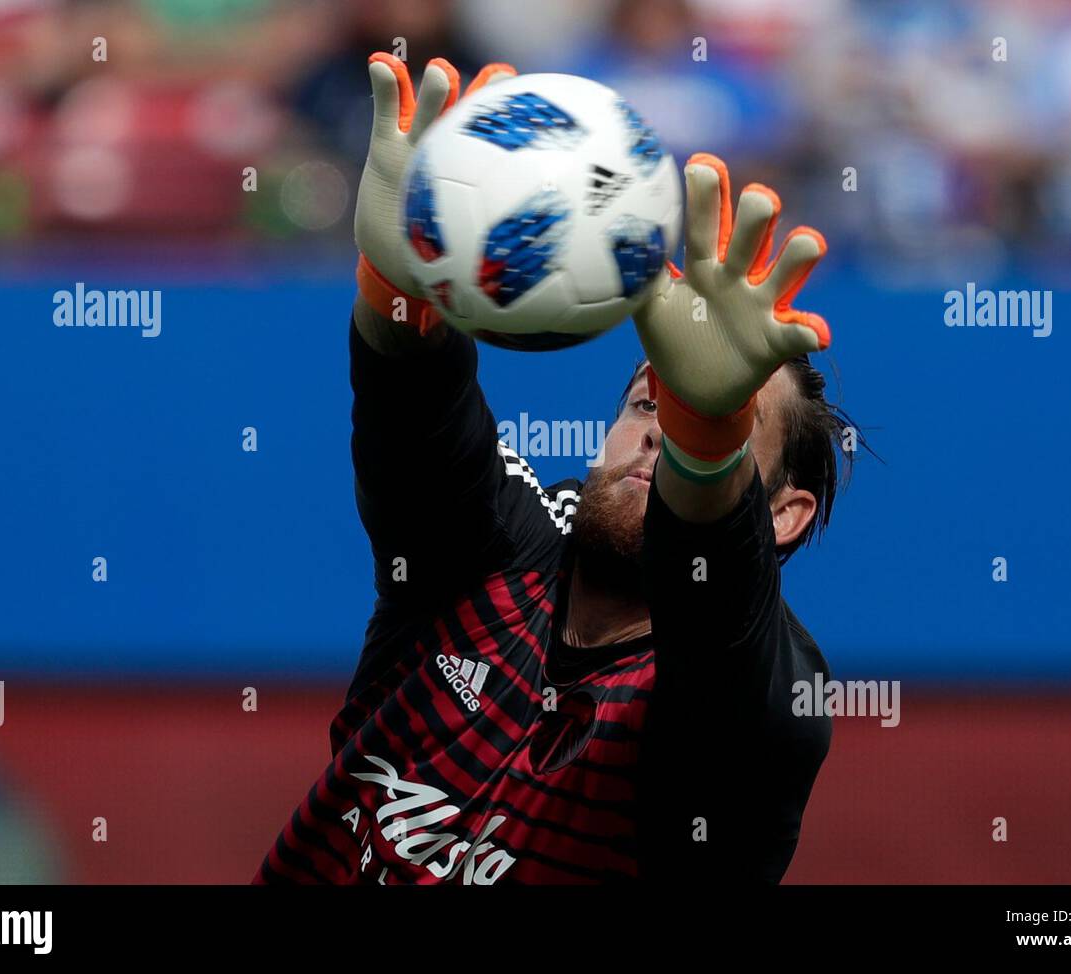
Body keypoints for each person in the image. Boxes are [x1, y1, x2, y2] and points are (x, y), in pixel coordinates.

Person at [256, 52, 853, 884]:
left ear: (781, 515)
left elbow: (714, 599)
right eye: (649, 407)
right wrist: (402, 288)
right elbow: (414, 420)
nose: (657, 433)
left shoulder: (762, 700)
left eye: (699, 425)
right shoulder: (485, 563)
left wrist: (705, 433)